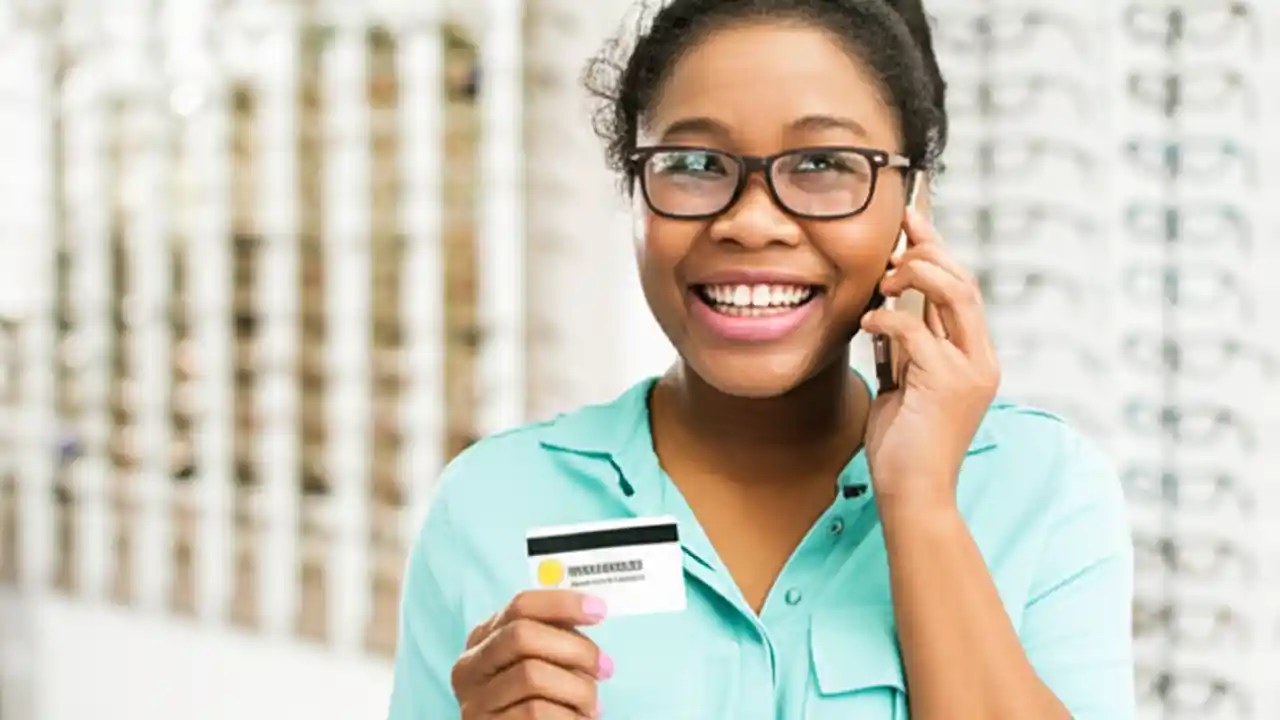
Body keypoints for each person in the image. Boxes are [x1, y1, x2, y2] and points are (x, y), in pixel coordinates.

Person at [388, 0, 1134, 718]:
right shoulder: (491, 501)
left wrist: (921, 502)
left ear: (913, 207)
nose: (750, 221)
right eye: (693, 162)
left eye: (821, 163)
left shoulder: (1042, 486)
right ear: (635, 193)